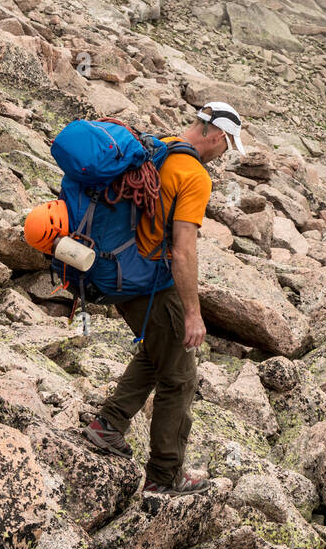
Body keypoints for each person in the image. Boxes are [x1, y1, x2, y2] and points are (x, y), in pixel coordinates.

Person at [83, 102, 246, 499]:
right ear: (218, 137)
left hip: (111, 270)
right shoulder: (194, 175)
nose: (224, 153)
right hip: (148, 282)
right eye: (227, 146)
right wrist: (193, 313)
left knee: (158, 352)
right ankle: (164, 475)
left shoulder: (159, 147)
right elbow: (184, 250)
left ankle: (107, 426)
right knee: (180, 377)